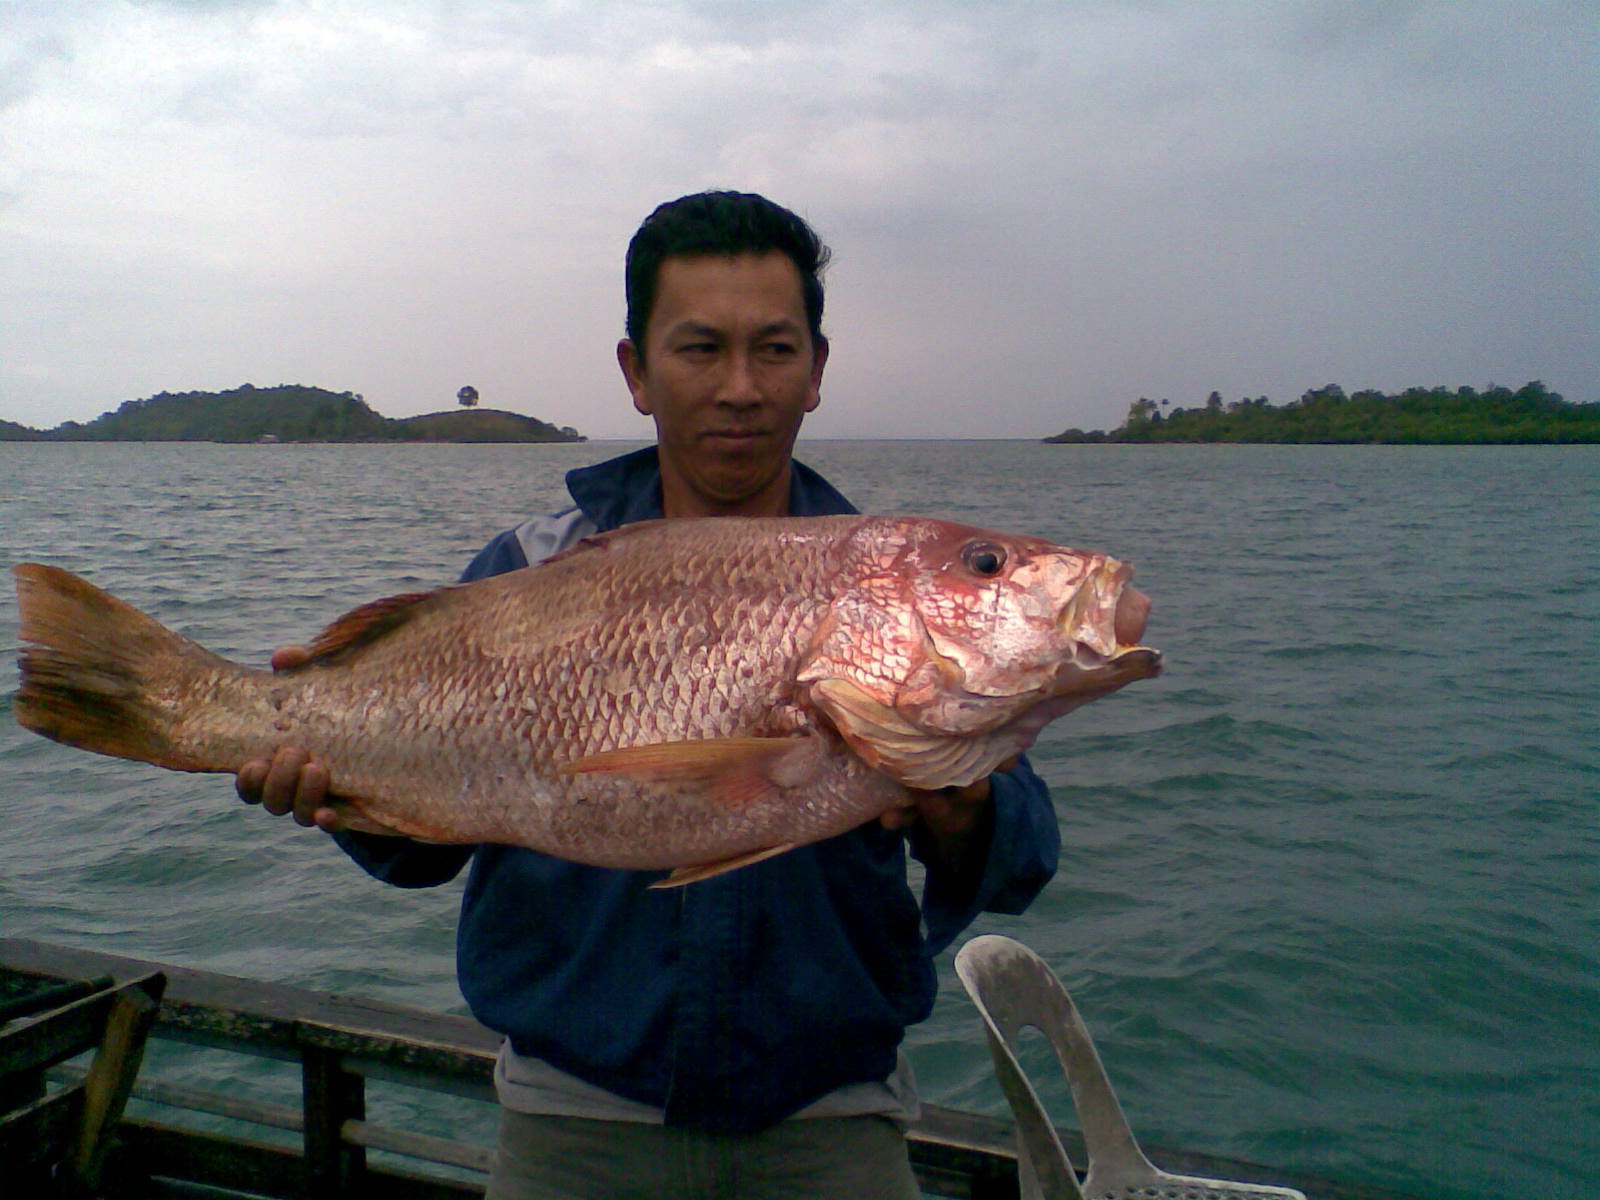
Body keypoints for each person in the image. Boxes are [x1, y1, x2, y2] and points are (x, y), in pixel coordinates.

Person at [236, 191, 1060, 1199]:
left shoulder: (889, 578)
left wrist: (959, 806)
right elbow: (423, 849)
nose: (740, 388)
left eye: (774, 350)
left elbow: (1020, 853)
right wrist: (333, 794)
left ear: (817, 372)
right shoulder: (525, 569)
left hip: (833, 1125)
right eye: (700, 349)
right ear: (636, 371)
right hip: (571, 1121)